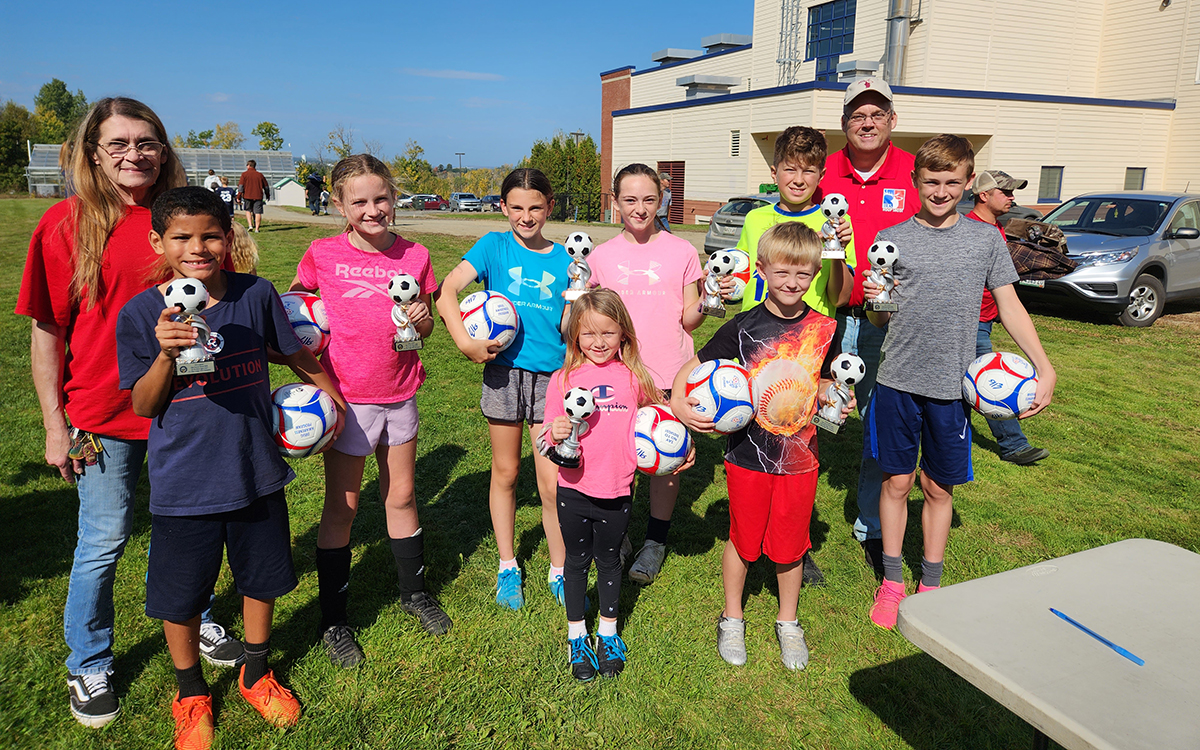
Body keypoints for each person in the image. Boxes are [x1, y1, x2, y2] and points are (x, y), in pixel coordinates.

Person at [15, 97, 243, 729]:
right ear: (92, 153)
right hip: (103, 414)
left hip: (187, 407)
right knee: (104, 540)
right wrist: (55, 425)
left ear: (163, 149)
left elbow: (232, 301)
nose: (134, 155)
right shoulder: (65, 224)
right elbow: (46, 334)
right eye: (117, 144)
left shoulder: (185, 218)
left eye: (146, 143)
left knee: (191, 530)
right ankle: (88, 660)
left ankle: (193, 619)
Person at [115, 186, 345, 748]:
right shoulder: (142, 313)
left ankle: (256, 672)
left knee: (261, 578)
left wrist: (334, 401)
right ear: (158, 242)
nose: (198, 248)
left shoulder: (255, 295)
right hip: (184, 482)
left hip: (255, 470)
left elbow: (293, 351)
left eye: (211, 235)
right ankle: (190, 691)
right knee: (182, 594)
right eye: (182, 238)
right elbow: (144, 405)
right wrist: (167, 353)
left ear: (230, 236)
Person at [863, 135, 1057, 630]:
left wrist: (1044, 365)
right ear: (915, 182)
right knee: (897, 481)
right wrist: (876, 299)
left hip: (955, 387)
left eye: (952, 181)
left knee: (937, 487)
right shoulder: (891, 239)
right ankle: (892, 581)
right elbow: (880, 321)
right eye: (932, 181)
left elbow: (1010, 305)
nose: (941, 190)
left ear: (970, 184)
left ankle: (931, 582)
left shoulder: (986, 239)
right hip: (898, 381)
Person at [289, 154, 450, 668]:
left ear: (394, 198)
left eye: (381, 198)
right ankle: (334, 619)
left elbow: (420, 331)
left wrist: (423, 321)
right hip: (347, 399)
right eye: (359, 201)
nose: (373, 208)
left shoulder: (417, 255)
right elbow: (298, 309)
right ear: (339, 205)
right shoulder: (322, 253)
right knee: (345, 506)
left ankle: (414, 593)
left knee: (402, 495)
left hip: (400, 392)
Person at [672, 222, 848, 670]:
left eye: (803, 275)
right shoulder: (744, 326)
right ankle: (733, 617)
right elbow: (692, 365)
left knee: (791, 545)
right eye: (783, 272)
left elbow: (825, 379)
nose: (792, 283)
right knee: (744, 541)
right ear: (762, 269)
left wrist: (832, 396)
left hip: (801, 458)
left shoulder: (826, 327)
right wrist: (678, 400)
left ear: (814, 275)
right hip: (747, 455)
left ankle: (788, 622)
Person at [434, 168, 572, 611]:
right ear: (503, 207)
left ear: (551, 207)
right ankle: (508, 565)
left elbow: (576, 320)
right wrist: (464, 341)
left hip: (552, 380)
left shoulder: (568, 259)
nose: (526, 217)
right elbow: (446, 292)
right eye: (516, 207)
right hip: (504, 374)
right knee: (507, 472)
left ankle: (558, 567)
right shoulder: (493, 246)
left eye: (535, 207)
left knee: (551, 482)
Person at [733, 125, 854, 586]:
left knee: (800, 448)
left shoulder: (834, 219)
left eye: (808, 170)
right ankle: (747, 535)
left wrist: (838, 248)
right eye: (789, 169)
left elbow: (841, 296)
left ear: (821, 174)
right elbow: (744, 277)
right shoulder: (755, 220)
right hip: (758, 344)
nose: (798, 178)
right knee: (752, 440)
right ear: (774, 172)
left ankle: (794, 545)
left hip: (810, 347)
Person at [538, 290, 677, 680]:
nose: (598, 343)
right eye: (588, 335)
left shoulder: (634, 379)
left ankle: (608, 632)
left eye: (608, 333)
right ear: (574, 337)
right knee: (576, 562)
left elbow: (660, 422)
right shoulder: (562, 379)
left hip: (617, 490)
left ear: (624, 335)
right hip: (573, 491)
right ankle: (577, 636)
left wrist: (680, 448)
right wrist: (556, 431)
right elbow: (545, 436)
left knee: (610, 560)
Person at [817, 76, 919, 576]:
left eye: (877, 112)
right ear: (844, 123)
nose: (867, 121)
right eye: (858, 113)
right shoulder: (821, 172)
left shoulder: (914, 174)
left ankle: (873, 529)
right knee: (802, 410)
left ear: (892, 120)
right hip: (824, 314)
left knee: (884, 422)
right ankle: (798, 523)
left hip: (887, 320)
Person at [588, 163, 705, 584]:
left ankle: (655, 541)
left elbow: (690, 320)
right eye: (630, 200)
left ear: (662, 201)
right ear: (615, 202)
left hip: (670, 375)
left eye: (649, 200)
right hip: (618, 375)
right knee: (619, 457)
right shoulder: (599, 258)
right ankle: (618, 535)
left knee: (665, 462)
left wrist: (708, 299)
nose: (640, 208)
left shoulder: (682, 251)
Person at [966, 170, 1049, 465]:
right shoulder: (970, 229)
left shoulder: (996, 228)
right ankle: (1014, 445)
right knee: (991, 382)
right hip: (969, 322)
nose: (1013, 198)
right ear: (984, 195)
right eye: (1006, 192)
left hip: (987, 320)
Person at [239, 159, 269, 233]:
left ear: (248, 166)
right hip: (258, 196)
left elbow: (241, 186)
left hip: (247, 196)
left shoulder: (244, 174)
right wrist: (267, 195)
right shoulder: (260, 175)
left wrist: (238, 196)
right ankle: (257, 229)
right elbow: (266, 186)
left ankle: (250, 225)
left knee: (248, 210)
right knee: (258, 212)